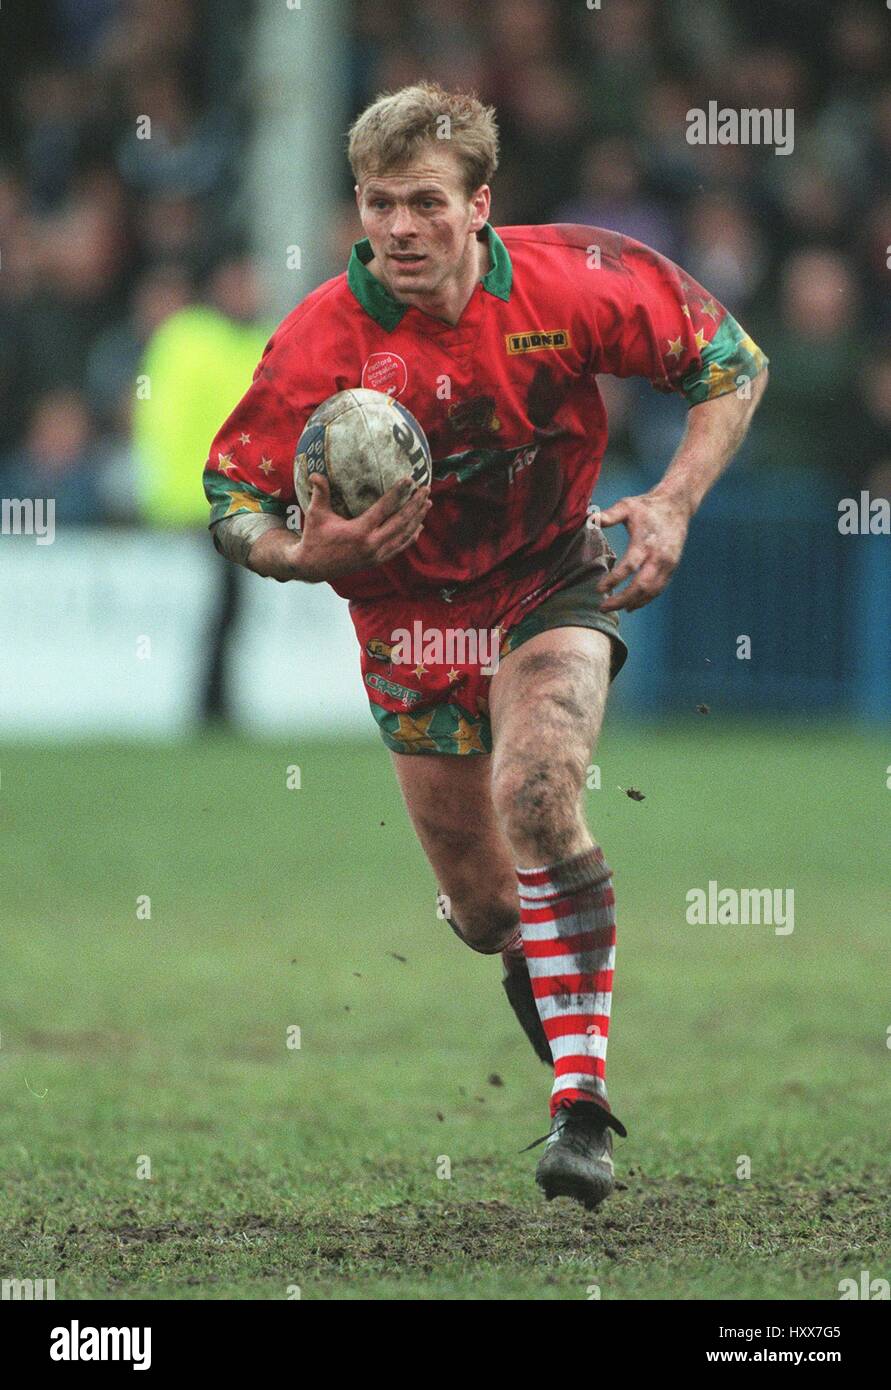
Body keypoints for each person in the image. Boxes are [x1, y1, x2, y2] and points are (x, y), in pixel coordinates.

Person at [203, 83, 768, 1210]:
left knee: (540, 791)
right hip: (406, 620)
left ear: (479, 206)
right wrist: (302, 554)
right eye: (378, 203)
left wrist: (671, 501)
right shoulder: (321, 338)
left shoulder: (574, 281)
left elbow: (730, 362)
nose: (399, 228)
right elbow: (231, 496)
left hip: (546, 574)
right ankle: (553, 995)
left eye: (425, 202)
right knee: (484, 913)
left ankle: (580, 1106)